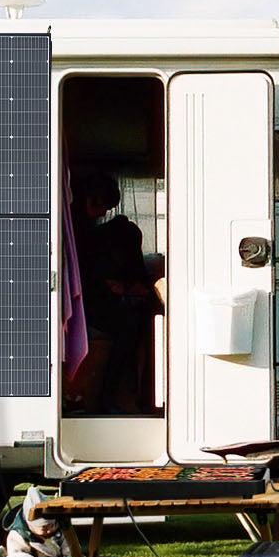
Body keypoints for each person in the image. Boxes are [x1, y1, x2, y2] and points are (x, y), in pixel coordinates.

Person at [69, 169, 158, 413]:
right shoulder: (77, 229)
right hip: (87, 301)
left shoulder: (87, 227)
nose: (103, 214)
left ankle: (122, 395)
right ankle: (110, 395)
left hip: (100, 297)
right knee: (130, 323)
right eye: (103, 208)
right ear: (91, 200)